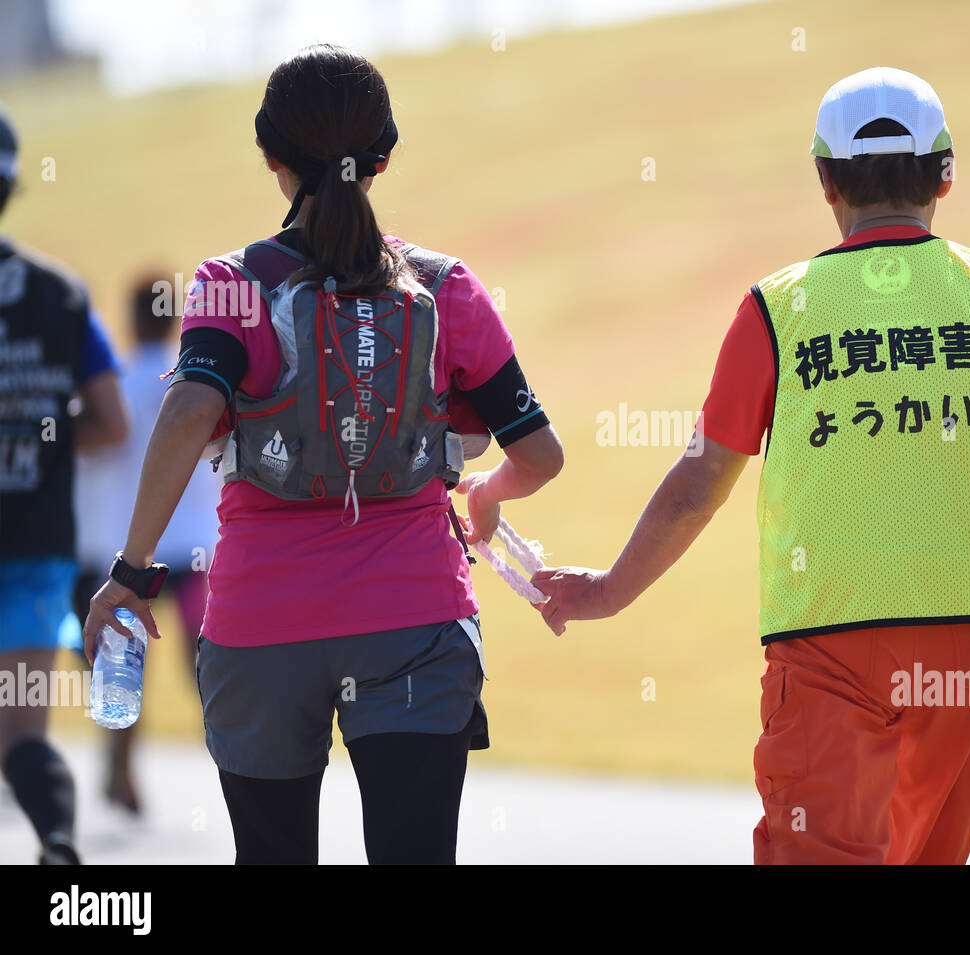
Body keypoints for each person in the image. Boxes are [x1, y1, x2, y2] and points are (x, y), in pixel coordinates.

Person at [532, 67, 970, 865]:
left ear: (825, 181)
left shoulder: (778, 307)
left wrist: (607, 589)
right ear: (945, 173)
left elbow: (700, 483)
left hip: (829, 646)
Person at [80, 44, 564, 865]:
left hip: (261, 626)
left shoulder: (230, 283)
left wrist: (130, 572)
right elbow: (541, 452)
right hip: (415, 619)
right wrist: (484, 494)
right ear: (384, 156)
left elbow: (194, 405)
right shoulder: (445, 286)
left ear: (270, 154)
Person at [0, 103, 127, 864]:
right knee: (20, 729)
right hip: (37, 540)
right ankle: (54, 842)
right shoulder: (61, 293)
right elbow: (110, 422)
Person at [74, 273, 222, 815]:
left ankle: (119, 767)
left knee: (123, 668)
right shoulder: (195, 376)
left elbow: (94, 460)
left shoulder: (116, 382)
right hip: (197, 545)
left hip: (131, 551)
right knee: (205, 664)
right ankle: (242, 761)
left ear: (134, 319)